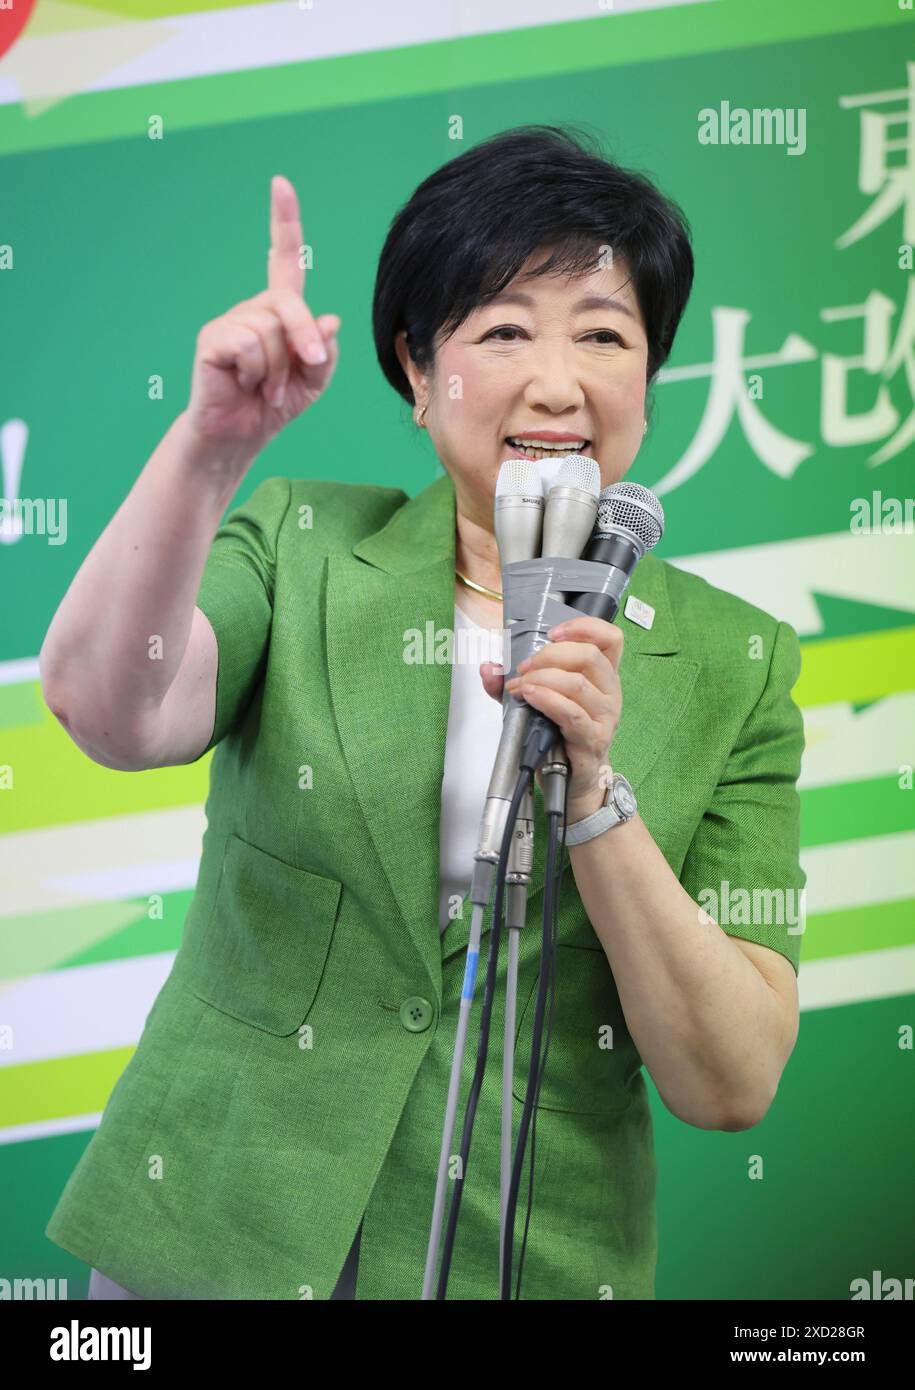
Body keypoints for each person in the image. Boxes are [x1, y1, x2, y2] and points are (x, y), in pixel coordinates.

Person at [41, 125, 806, 1301]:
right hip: (214, 1232)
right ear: (414, 367)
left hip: (526, 1255)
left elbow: (732, 1078)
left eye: (605, 335)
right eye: (503, 330)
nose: (558, 382)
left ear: (650, 378)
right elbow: (110, 710)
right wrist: (212, 448)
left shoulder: (736, 661)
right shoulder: (304, 545)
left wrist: (599, 798)